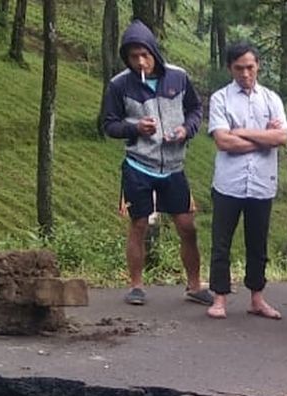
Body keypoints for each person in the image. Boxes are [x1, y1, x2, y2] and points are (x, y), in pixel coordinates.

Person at [101, 20, 210, 308]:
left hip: (174, 166)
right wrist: (136, 128)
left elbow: (195, 109)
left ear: (154, 52)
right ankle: (136, 286)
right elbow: (109, 125)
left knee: (187, 226)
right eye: (133, 56)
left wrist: (187, 129)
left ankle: (195, 285)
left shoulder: (178, 77)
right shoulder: (119, 84)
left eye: (144, 54)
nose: (140, 61)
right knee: (139, 225)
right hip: (138, 165)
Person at [206, 42, 287, 320]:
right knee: (221, 242)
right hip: (229, 182)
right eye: (239, 68)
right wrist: (262, 138)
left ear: (258, 67)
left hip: (261, 183)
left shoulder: (271, 99)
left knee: (258, 243)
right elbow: (223, 141)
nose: (245, 73)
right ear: (230, 68)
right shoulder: (220, 99)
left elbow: (281, 137)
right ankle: (219, 298)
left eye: (250, 67)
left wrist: (242, 132)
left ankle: (257, 297)